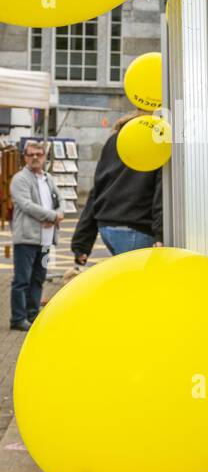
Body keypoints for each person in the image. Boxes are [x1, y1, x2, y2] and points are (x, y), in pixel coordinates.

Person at [70, 113, 164, 264]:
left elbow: (97, 189)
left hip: (107, 225)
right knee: (139, 283)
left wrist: (81, 243)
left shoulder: (113, 141)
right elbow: (160, 193)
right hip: (136, 225)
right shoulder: (153, 143)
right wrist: (160, 234)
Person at [9, 140, 62, 331]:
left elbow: (60, 200)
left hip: (47, 240)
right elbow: (26, 204)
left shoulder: (48, 178)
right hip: (27, 239)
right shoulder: (20, 179)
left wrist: (58, 214)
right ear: (25, 157)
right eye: (30, 155)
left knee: (39, 278)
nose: (34, 158)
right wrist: (53, 216)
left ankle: (33, 315)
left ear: (44, 157)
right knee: (22, 280)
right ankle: (18, 318)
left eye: (38, 155)